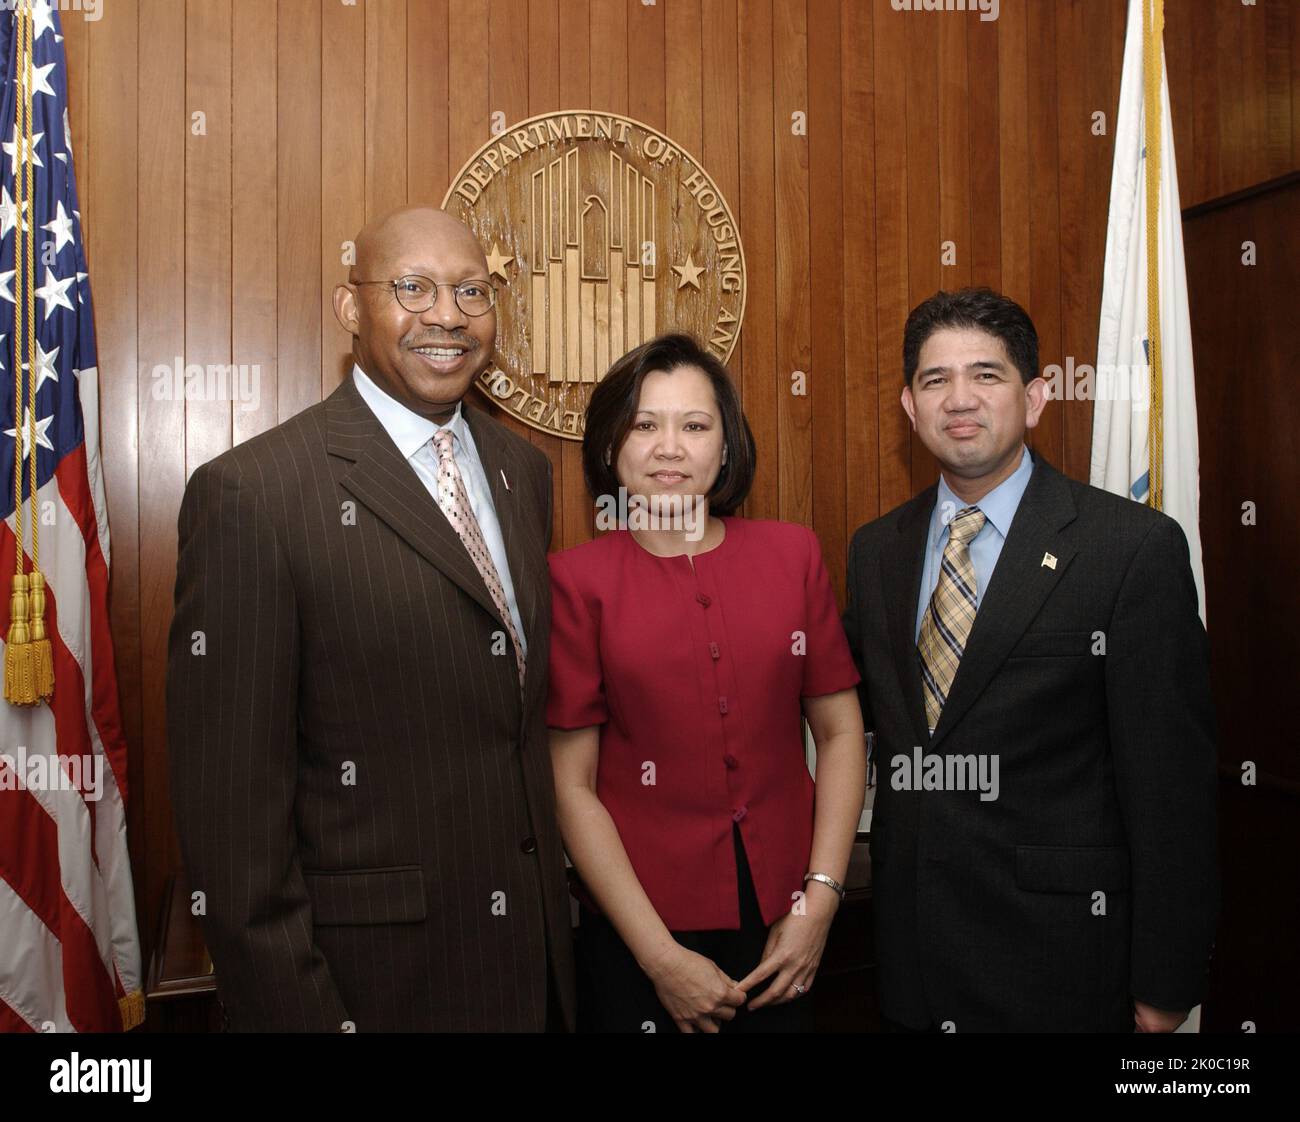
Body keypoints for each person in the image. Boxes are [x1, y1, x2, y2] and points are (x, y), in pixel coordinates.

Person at [167, 206, 575, 1032]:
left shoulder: (521, 471)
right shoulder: (254, 495)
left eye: (472, 291)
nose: (448, 316)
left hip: (533, 973)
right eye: (412, 288)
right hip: (373, 987)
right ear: (351, 308)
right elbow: (233, 827)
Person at [843, 287, 1218, 1033]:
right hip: (913, 958)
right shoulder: (876, 550)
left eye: (986, 374)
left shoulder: (1129, 549)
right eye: (935, 380)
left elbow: (1172, 788)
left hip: (1064, 963)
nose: (960, 399)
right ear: (909, 407)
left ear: (1036, 397)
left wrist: (1167, 981)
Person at [547, 333, 866, 1034]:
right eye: (645, 425)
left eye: (695, 426)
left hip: (785, 928)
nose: (670, 448)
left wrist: (819, 903)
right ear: (610, 446)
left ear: (726, 447)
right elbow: (572, 787)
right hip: (637, 933)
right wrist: (660, 959)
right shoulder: (575, 581)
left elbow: (840, 732)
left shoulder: (792, 554)